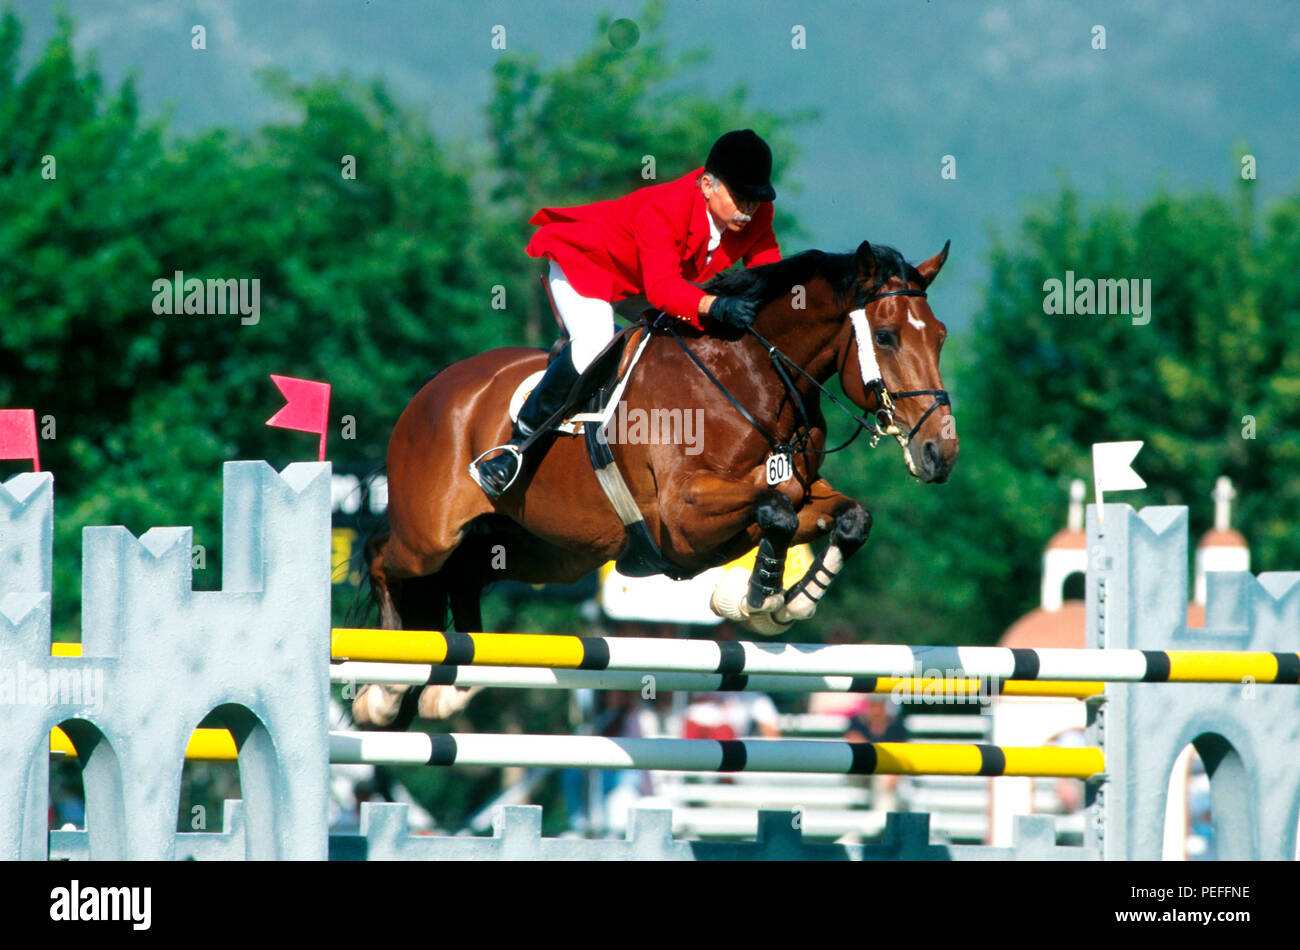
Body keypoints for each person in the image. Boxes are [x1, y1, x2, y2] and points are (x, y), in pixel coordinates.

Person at [472, 129, 784, 498]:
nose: (748, 209)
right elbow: (664, 290)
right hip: (587, 267)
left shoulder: (757, 215)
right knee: (594, 345)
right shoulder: (665, 208)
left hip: (641, 281)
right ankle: (517, 444)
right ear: (706, 185)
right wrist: (715, 304)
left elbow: (771, 275)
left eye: (755, 199)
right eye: (741, 198)